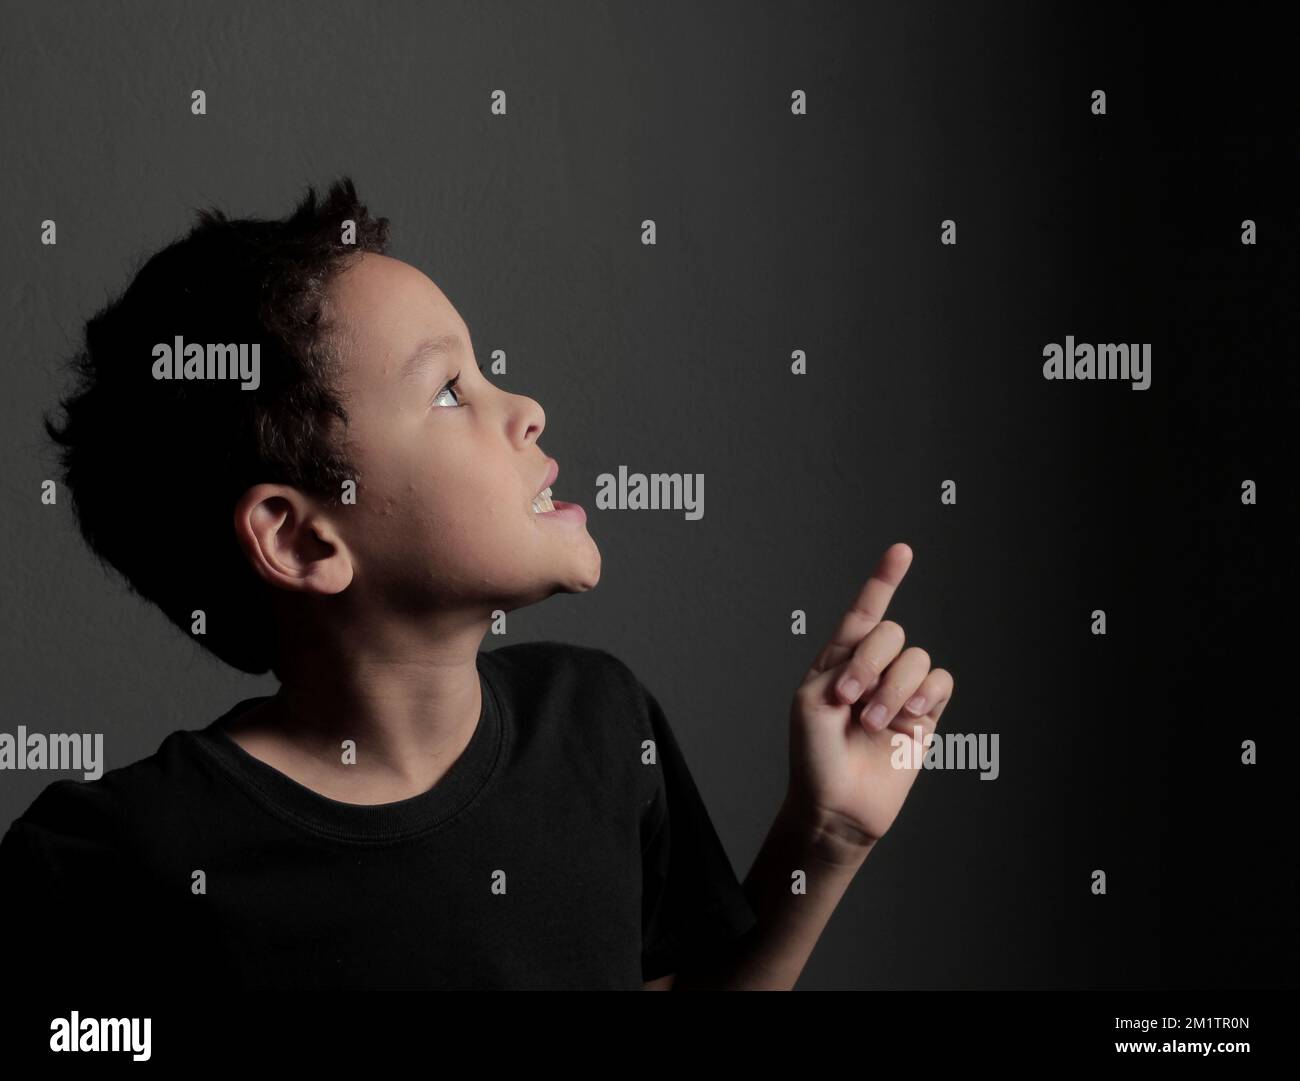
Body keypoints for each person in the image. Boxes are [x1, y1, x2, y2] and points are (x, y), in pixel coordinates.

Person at [0, 179, 953, 990]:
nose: (528, 410)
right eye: (450, 390)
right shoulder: (106, 865)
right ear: (299, 537)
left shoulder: (602, 724)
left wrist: (824, 836)